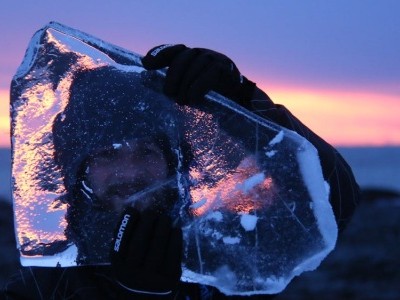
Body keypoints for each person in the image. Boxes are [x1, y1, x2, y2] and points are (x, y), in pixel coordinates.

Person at [2, 44, 360, 299]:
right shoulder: (45, 286)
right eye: (107, 156)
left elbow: (331, 201)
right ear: (77, 170)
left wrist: (240, 104)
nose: (130, 172)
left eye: (146, 150)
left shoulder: (223, 252)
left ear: (176, 161)